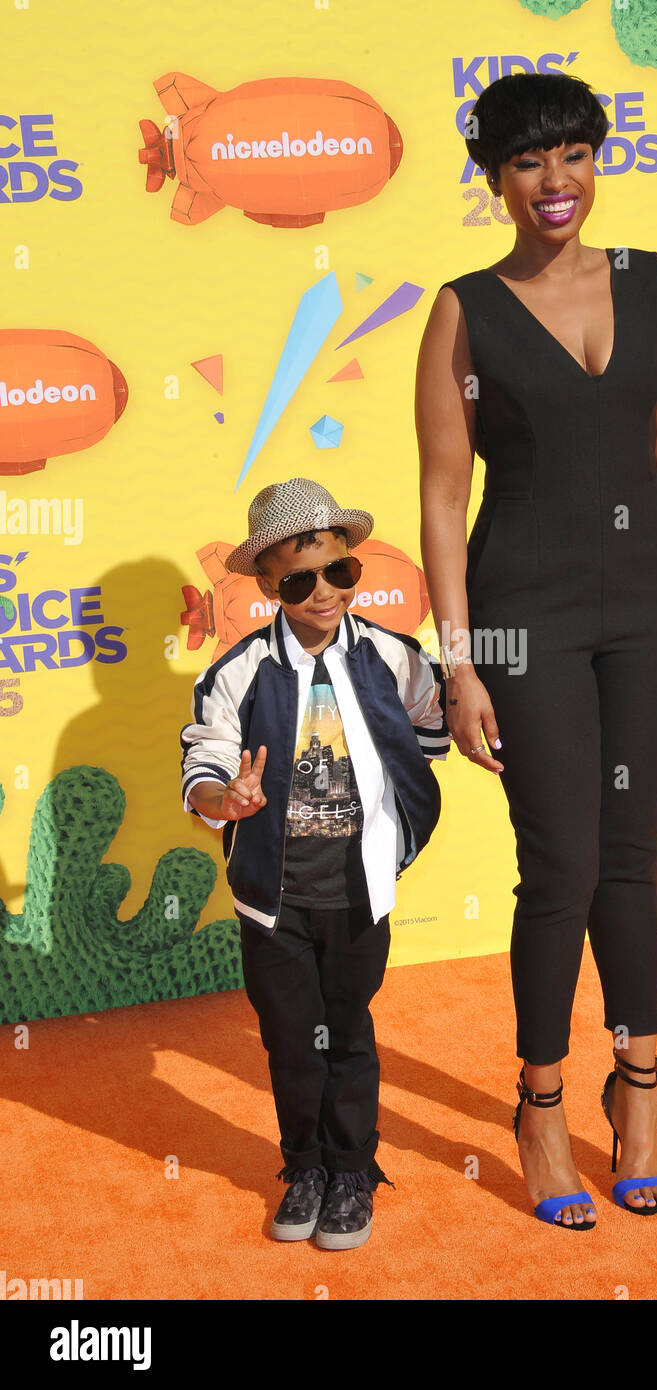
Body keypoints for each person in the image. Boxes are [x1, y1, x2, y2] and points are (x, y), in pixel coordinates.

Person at [415, 73, 657, 1228]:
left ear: (599, 163)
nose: (557, 183)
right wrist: (458, 664)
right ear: (496, 178)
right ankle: (538, 1105)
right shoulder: (464, 309)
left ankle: (636, 1093)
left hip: (648, 604)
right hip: (524, 611)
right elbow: (444, 499)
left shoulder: (649, 283)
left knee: (631, 857)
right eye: (531, 162)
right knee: (561, 867)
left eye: (575, 156)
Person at [180, 477, 449, 1248]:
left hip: (360, 893)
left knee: (350, 1030)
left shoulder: (394, 657)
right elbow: (205, 761)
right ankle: (304, 1168)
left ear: (353, 566)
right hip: (274, 899)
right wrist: (223, 801)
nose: (324, 593)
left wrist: (402, 801)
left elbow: (431, 722)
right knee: (291, 1038)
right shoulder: (234, 675)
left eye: (340, 572)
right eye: (300, 580)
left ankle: (353, 1173)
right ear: (267, 585)